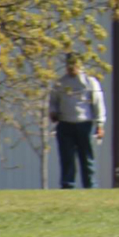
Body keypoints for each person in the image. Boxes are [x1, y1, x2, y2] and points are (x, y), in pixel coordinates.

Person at [48, 53, 106, 189]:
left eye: (74, 64)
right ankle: (68, 185)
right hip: (65, 125)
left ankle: (90, 186)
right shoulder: (60, 83)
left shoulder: (89, 82)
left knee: (86, 158)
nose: (71, 68)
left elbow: (98, 104)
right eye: (69, 65)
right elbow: (53, 101)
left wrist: (100, 124)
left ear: (80, 65)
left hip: (84, 124)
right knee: (67, 158)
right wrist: (53, 112)